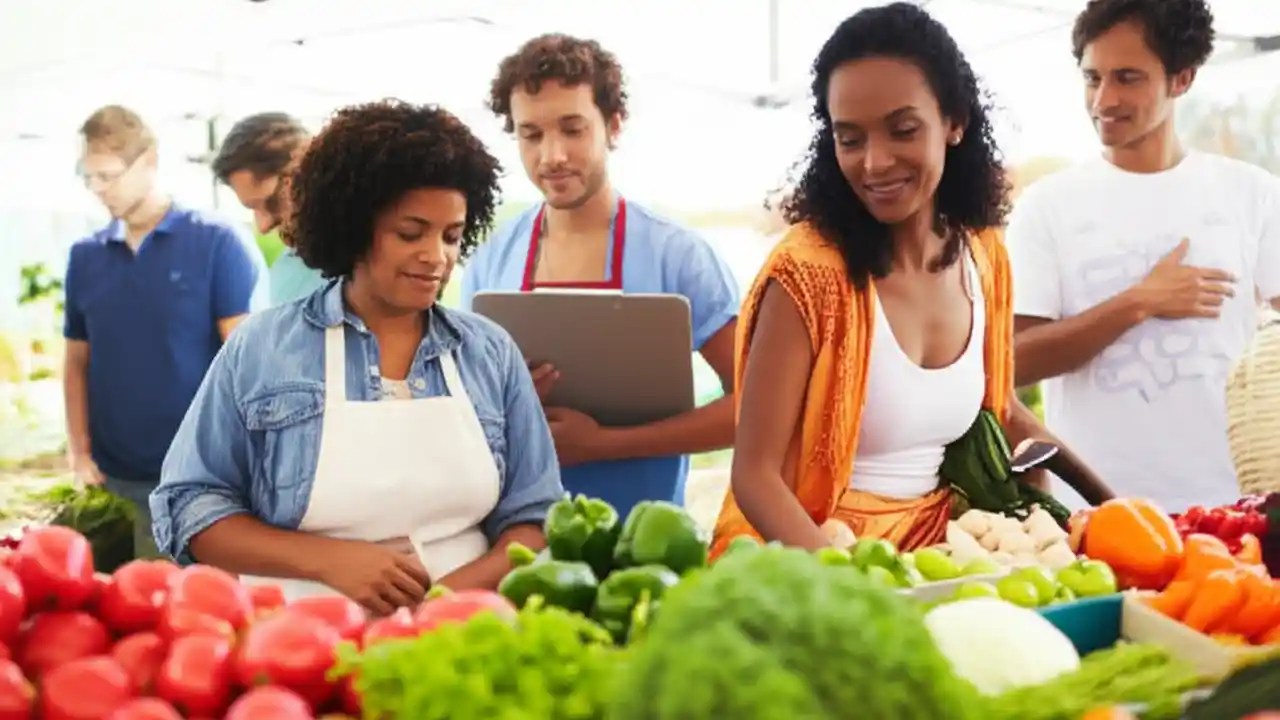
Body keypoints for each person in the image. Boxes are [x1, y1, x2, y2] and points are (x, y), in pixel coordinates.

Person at [710, 3, 1114, 558]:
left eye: (902, 130)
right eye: (849, 138)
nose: (874, 163)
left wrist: (1114, 510)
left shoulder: (984, 255)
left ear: (954, 122)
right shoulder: (806, 277)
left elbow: (1002, 412)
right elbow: (755, 477)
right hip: (816, 558)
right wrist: (856, 595)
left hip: (944, 550)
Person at [151, 101, 563, 612]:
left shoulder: (489, 352)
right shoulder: (261, 348)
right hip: (302, 640)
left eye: (451, 236)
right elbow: (190, 506)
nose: (436, 256)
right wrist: (327, 559)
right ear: (354, 228)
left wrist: (443, 600)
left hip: (462, 630)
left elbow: (537, 517)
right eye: (410, 233)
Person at [1006, 0, 1280, 512]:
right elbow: (1011, 362)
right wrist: (1138, 302)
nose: (1103, 99)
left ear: (1182, 78)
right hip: (1098, 514)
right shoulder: (1047, 207)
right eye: (1093, 78)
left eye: (1127, 78)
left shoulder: (1252, 194)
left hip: (1235, 509)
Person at [462, 34, 741, 519]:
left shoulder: (678, 255)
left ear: (613, 126)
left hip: (645, 537)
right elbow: (462, 411)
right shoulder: (490, 260)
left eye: (572, 129)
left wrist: (605, 444)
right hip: (515, 537)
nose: (551, 156)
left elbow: (754, 409)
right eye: (531, 135)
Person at [63, 105, 268, 559]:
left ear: (150, 161)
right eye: (88, 176)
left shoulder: (217, 241)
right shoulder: (84, 257)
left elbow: (247, 359)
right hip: (117, 477)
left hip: (201, 481)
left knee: (196, 611)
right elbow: (76, 361)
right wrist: (79, 451)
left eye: (108, 175)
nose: (98, 190)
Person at [213, 112, 326, 306]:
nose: (263, 226)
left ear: (304, 169)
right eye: (253, 209)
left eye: (271, 202)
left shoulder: (375, 258)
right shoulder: (288, 269)